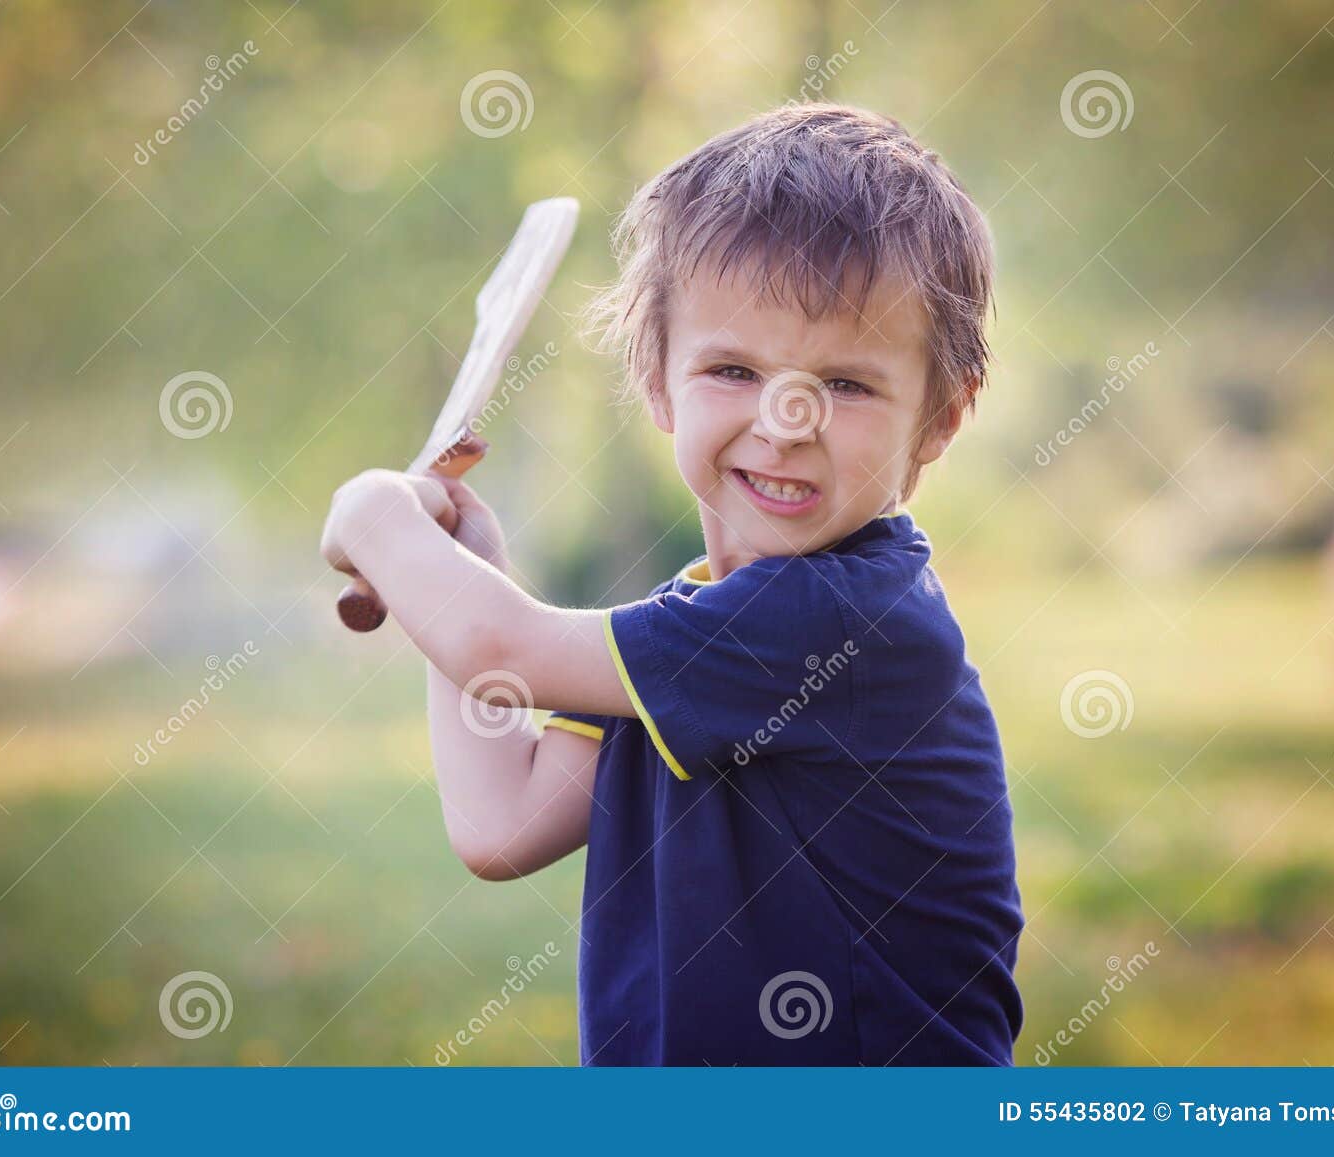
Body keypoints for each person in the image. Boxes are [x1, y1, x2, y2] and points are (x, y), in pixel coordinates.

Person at [321, 103, 1024, 1065]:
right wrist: (463, 572)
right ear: (655, 377)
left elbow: (500, 646)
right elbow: (501, 821)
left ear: (941, 417)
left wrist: (372, 511)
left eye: (848, 385)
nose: (785, 420)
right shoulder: (684, 631)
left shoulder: (852, 620)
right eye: (734, 368)